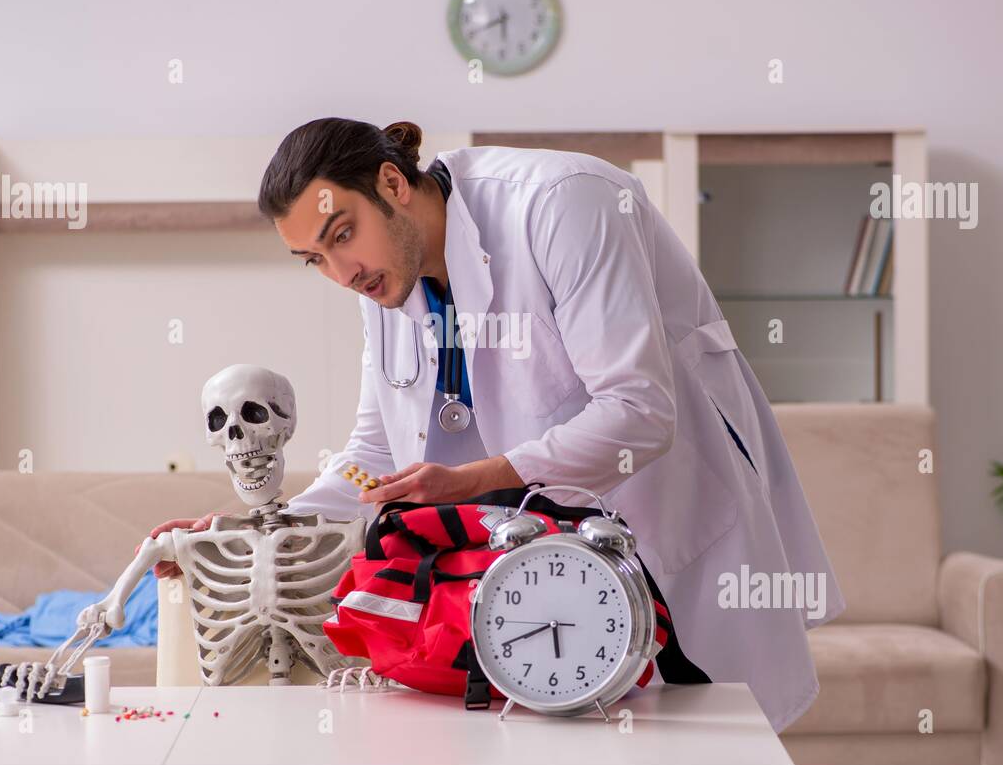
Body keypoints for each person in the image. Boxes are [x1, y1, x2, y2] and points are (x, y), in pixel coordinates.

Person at [150, 117, 846, 733]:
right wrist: (262, 524)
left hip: (669, 522)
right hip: (541, 578)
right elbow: (370, 455)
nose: (340, 271)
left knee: (696, 743)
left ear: (392, 183)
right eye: (315, 260)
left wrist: (473, 479)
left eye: (341, 236)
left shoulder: (559, 203)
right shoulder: (380, 276)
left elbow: (638, 413)